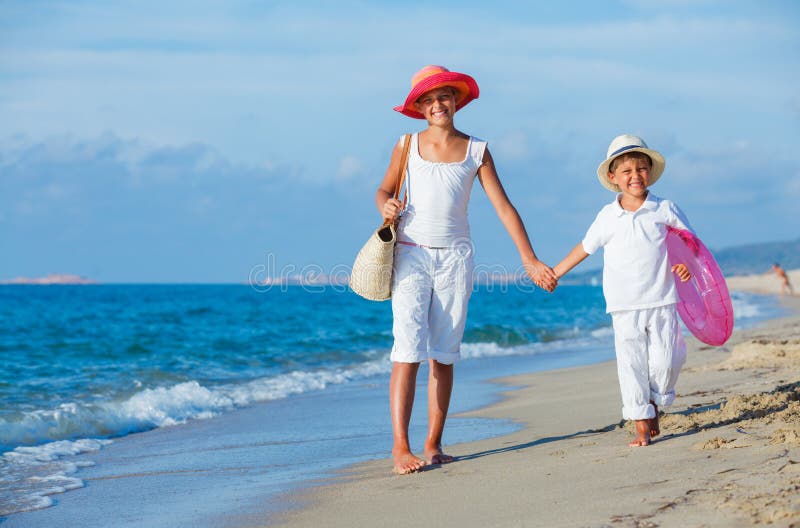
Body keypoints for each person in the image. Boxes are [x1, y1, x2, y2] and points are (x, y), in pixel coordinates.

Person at [377, 65, 557, 474]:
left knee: (443, 354)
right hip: (411, 254)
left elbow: (503, 206)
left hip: (456, 259)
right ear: (420, 108)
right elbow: (384, 189)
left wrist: (528, 258)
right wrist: (384, 205)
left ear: (456, 101)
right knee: (407, 351)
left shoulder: (477, 150)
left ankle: (434, 444)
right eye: (429, 99)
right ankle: (401, 448)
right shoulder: (406, 145)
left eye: (444, 96)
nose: (438, 104)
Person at [552, 134, 693, 447]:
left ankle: (655, 401)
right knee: (631, 364)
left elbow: (691, 245)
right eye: (627, 171)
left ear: (650, 172)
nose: (635, 176)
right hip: (623, 304)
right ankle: (640, 421)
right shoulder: (607, 217)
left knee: (667, 359)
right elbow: (585, 248)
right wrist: (557, 272)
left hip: (662, 299)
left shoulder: (665, 209)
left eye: (641, 169)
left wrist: (687, 267)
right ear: (613, 178)